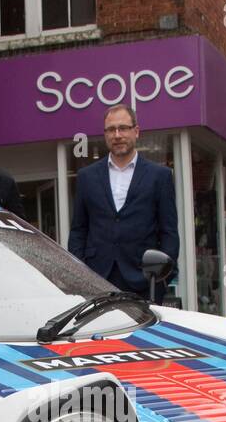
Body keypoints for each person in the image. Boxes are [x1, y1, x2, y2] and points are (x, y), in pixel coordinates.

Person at [67, 104, 178, 302]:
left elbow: (169, 232)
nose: (117, 135)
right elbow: (78, 231)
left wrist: (161, 279)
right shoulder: (86, 177)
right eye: (111, 129)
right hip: (97, 280)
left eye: (123, 128)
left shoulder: (159, 176)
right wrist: (81, 275)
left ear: (136, 131)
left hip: (144, 282)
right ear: (105, 135)